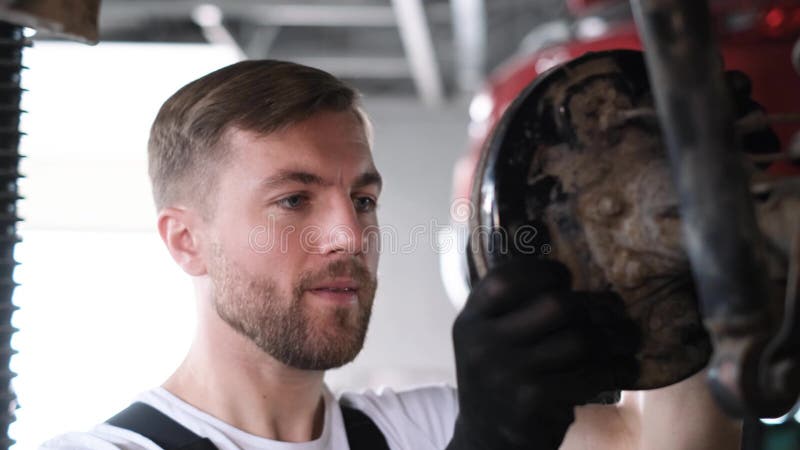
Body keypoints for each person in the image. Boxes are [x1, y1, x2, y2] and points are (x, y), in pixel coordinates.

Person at [41, 60, 742, 450]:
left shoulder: (414, 432)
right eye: (294, 199)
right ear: (185, 241)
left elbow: (660, 445)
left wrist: (689, 243)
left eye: (365, 200)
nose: (351, 236)